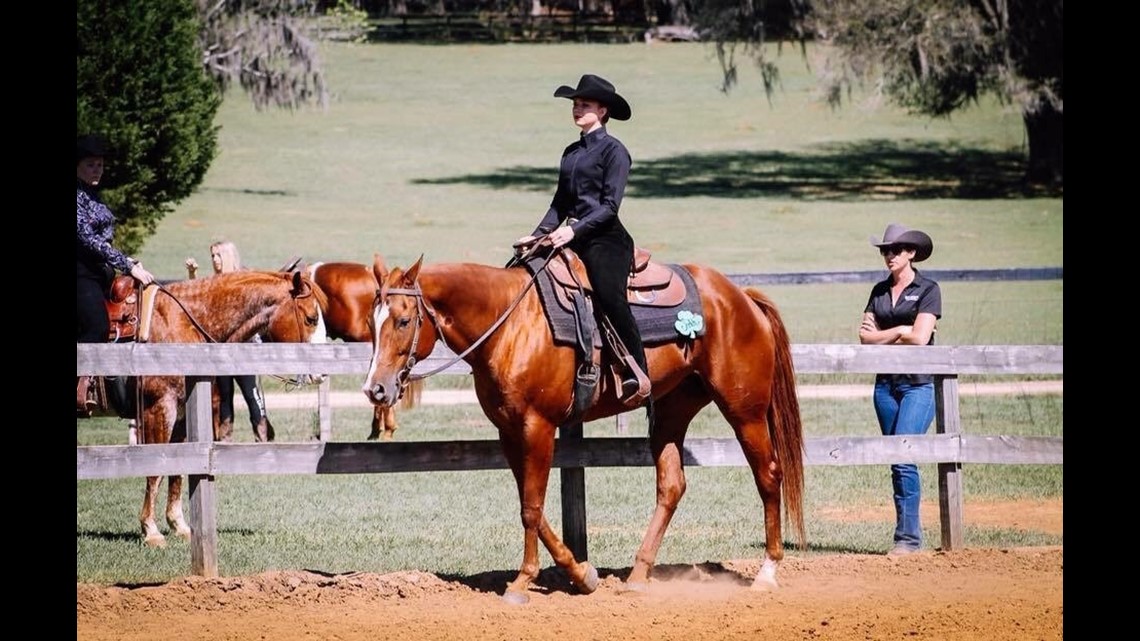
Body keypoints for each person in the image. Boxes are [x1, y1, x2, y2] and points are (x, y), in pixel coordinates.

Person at [515, 73, 652, 414]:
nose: (577, 109)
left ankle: (638, 370)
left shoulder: (615, 152)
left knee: (608, 293)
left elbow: (609, 207)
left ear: (603, 111)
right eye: (575, 104)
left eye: (585, 105)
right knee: (519, 271)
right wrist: (538, 234)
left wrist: (572, 233)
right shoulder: (571, 152)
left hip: (606, 238)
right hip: (571, 236)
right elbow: (560, 203)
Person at [859, 223, 943, 556]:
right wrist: (900, 330)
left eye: (895, 249)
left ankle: (908, 540)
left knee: (905, 457)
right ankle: (905, 536)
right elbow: (864, 337)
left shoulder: (928, 289)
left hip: (918, 386)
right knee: (896, 460)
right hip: (885, 386)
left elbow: (921, 338)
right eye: (885, 250)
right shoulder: (879, 290)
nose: (889, 255)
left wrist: (887, 331)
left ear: (910, 253)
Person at [77, 134, 156, 416]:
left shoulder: (93, 195)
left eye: (99, 164)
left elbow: (103, 244)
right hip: (81, 274)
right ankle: (80, 386)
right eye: (90, 164)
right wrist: (127, 263)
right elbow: (88, 239)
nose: (96, 169)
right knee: (96, 323)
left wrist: (127, 262)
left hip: (101, 274)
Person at [185, 241, 273, 442]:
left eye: (218, 255)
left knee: (252, 395)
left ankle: (263, 438)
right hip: (221, 350)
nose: (215, 260)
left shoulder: (242, 280)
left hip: (244, 350)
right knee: (225, 397)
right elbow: (197, 297)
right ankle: (225, 440)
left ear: (228, 256)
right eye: (212, 256)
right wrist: (192, 275)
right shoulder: (214, 283)